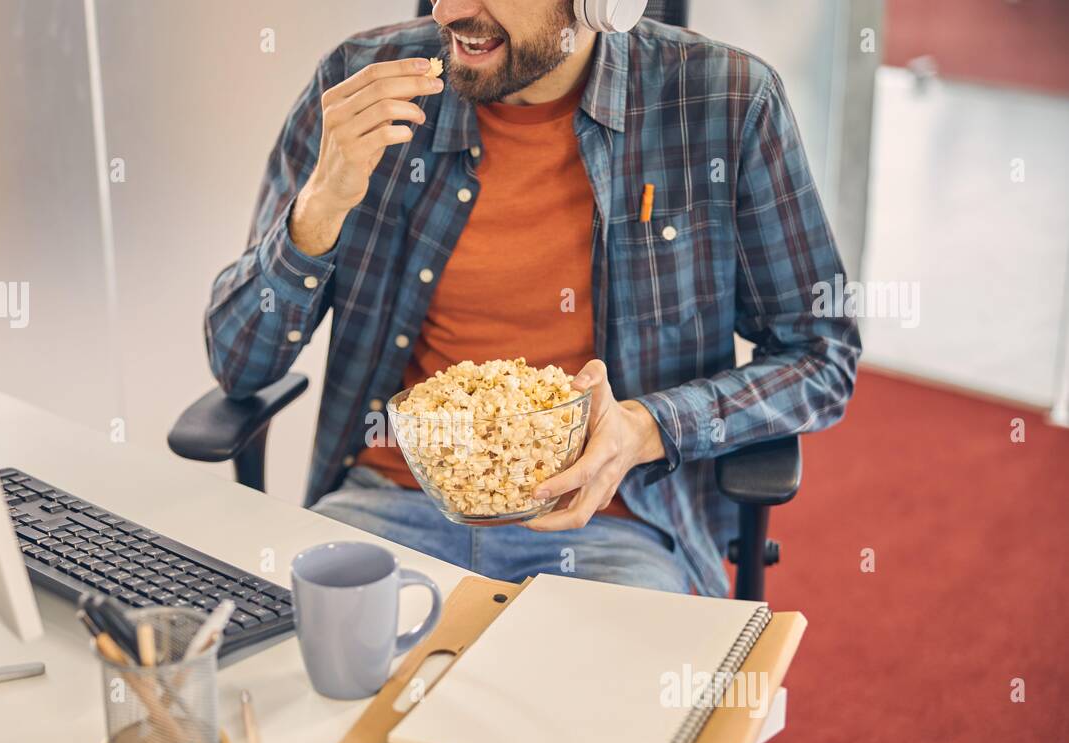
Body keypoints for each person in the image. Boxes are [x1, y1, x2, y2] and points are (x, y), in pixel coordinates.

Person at [205, 0, 860, 595]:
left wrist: (648, 427)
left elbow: (821, 355)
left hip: (613, 526)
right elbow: (239, 365)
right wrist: (321, 206)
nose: (449, 11)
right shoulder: (359, 81)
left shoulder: (725, 101)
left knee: (615, 715)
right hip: (390, 504)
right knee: (280, 686)